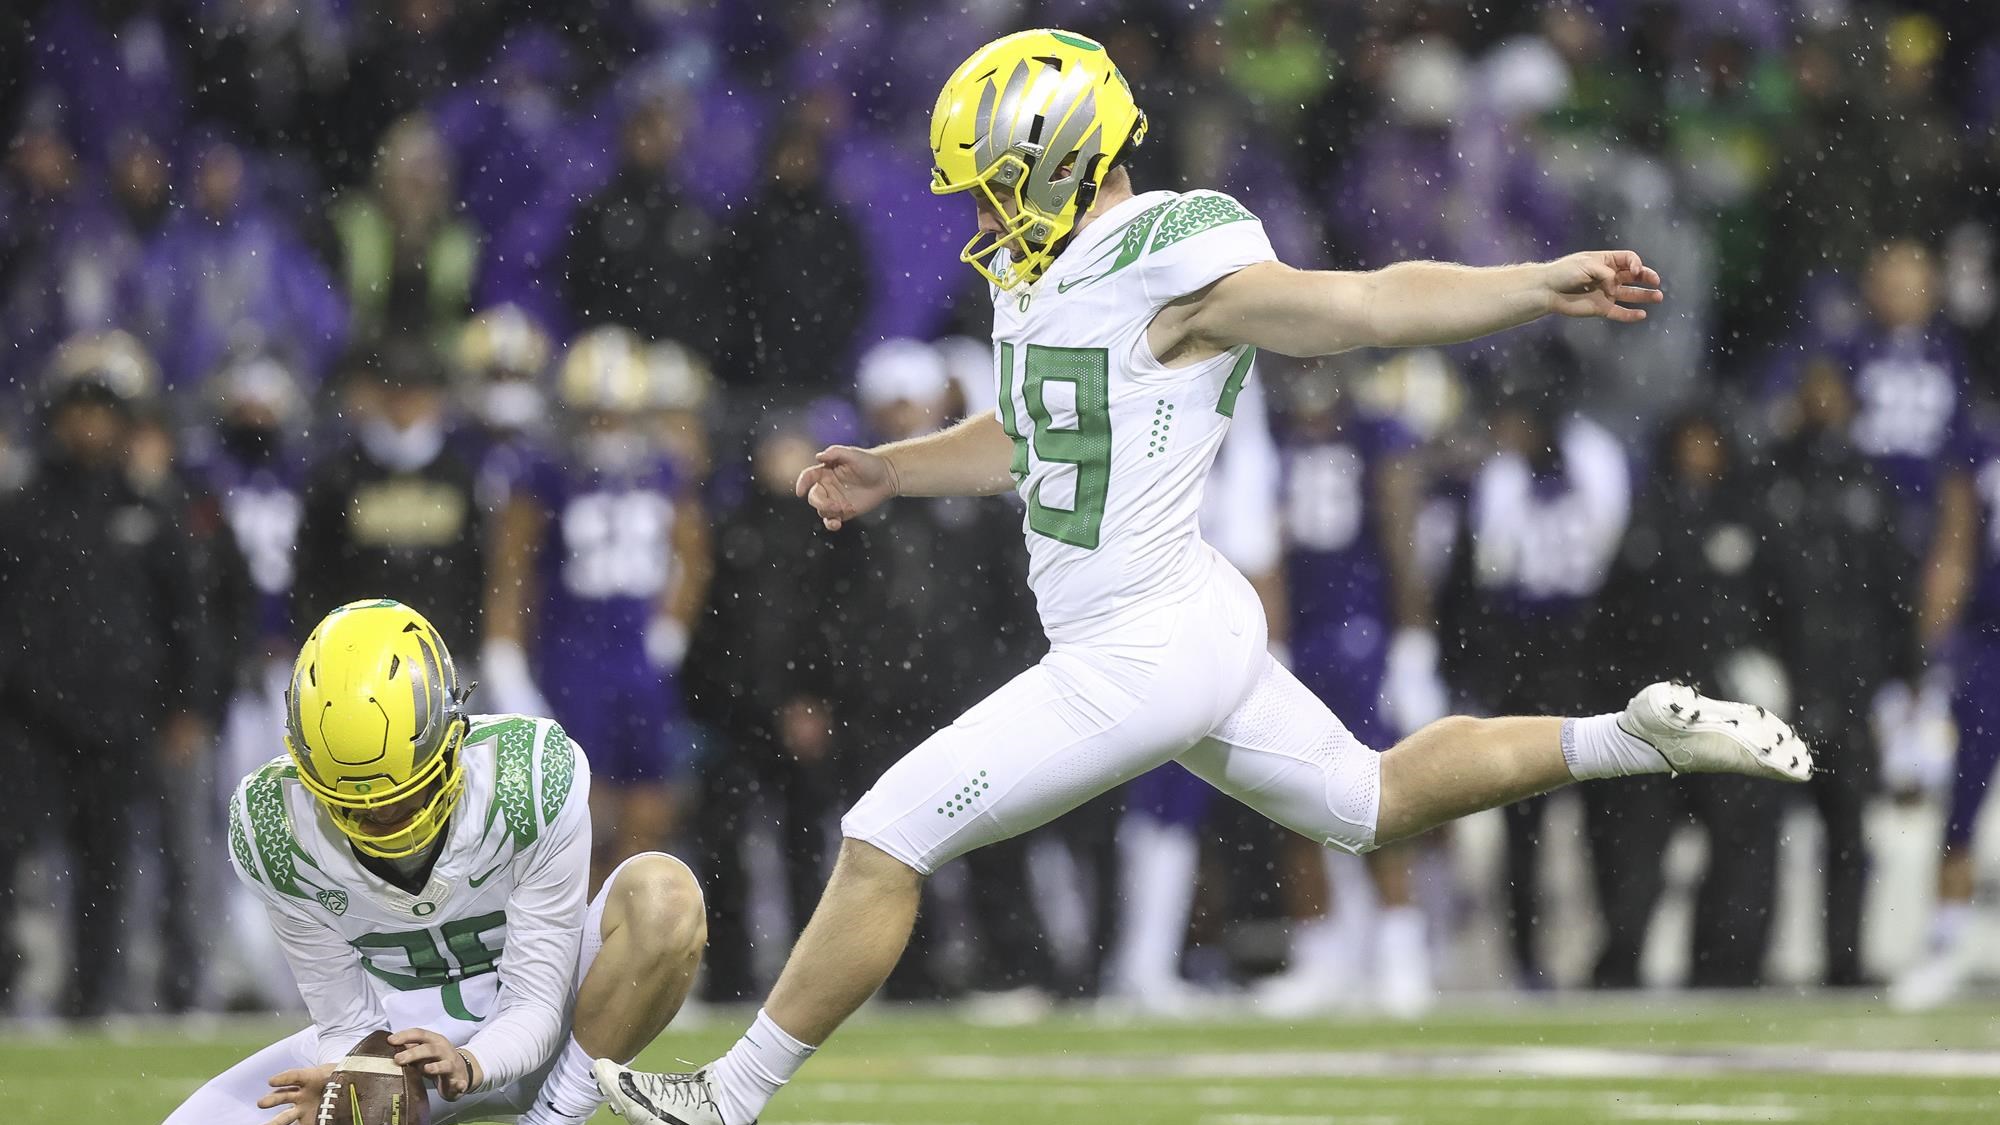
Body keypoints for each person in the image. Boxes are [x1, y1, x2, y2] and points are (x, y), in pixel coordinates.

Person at [598, 30, 1813, 1125]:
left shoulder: (1170, 256)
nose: (974, 217)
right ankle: (1626, 735)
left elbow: (1361, 305)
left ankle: (726, 1099)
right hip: (1189, 613)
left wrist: (1528, 285)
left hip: (1139, 646)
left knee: (883, 835)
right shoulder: (1047, 273)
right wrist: (894, 470)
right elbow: (1039, 431)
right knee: (1371, 801)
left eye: (989, 186)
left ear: (1059, 165)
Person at [162, 599, 707, 1125]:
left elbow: (536, 1000)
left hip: (559, 1030)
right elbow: (347, 1021)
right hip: (401, 1052)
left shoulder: (525, 778)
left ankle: (553, 1118)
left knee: (665, 897)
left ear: (453, 734)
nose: (383, 814)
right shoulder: (273, 826)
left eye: (405, 792)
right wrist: (353, 1078)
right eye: (353, 802)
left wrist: (472, 1062)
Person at [0, 334, 213, 1018]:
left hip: (122, 717)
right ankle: (9, 989)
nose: (90, 423)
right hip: (27, 716)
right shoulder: (23, 504)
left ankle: (93, 997)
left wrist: (187, 704)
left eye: (103, 409)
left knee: (109, 867)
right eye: (79, 408)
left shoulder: (150, 504)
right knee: (10, 856)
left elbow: (186, 614)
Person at [484, 326, 711, 888]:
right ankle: (580, 940)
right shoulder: (545, 473)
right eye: (594, 414)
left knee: (650, 805)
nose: (606, 426)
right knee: (580, 812)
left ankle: (626, 928)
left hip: (636, 653)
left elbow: (693, 555)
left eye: (616, 414)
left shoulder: (664, 469)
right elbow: (513, 571)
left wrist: (671, 628)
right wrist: (505, 652)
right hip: (571, 651)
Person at [1892, 402, 2000, 1010]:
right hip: (1991, 642)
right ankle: (1944, 943)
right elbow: (1954, 550)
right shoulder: (1981, 443)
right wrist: (1929, 663)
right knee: (1962, 802)